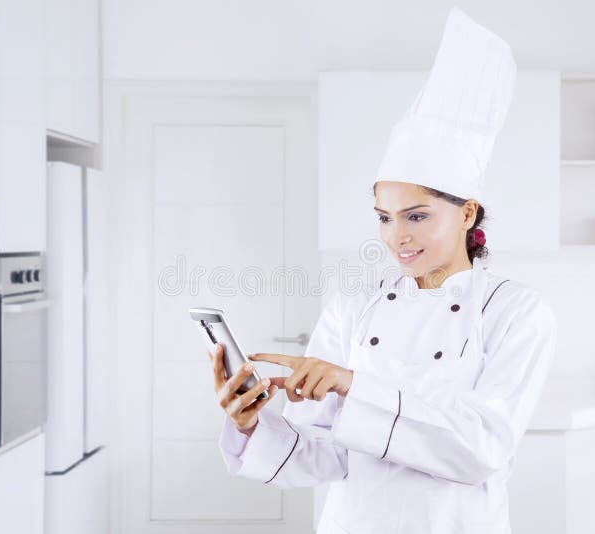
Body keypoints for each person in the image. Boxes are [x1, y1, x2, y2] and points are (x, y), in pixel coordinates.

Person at [206, 6, 557, 534]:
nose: (397, 237)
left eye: (416, 216)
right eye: (385, 218)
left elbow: (480, 449)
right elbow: (323, 454)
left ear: (467, 213)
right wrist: (252, 425)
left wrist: (353, 387)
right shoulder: (353, 307)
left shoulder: (516, 311)